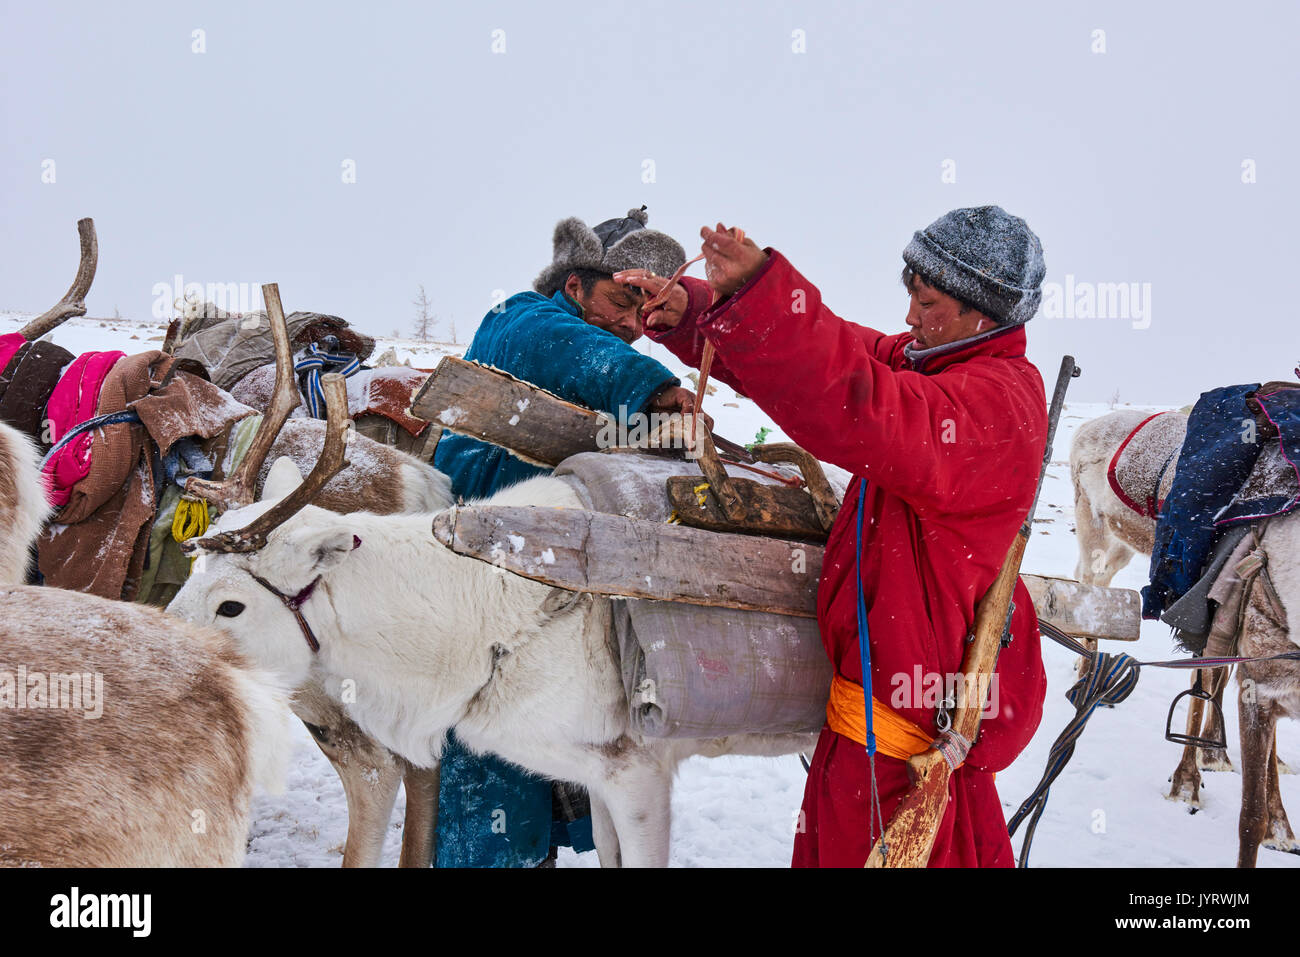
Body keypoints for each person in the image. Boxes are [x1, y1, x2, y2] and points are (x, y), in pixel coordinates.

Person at [617, 206, 1050, 867]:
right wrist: (697, 311)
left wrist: (763, 286)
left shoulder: (990, 406)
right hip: (868, 743)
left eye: (925, 301)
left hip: (901, 759)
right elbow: (840, 352)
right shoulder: (937, 363)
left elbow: (853, 397)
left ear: (982, 315)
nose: (908, 317)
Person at [432, 206, 700, 867]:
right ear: (573, 284)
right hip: (475, 561)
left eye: (646, 313)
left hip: (539, 574)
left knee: (544, 730)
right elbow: (575, 350)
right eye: (621, 298)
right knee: (486, 737)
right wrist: (657, 388)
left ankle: (533, 852)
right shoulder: (522, 317)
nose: (632, 325)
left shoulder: (590, 350)